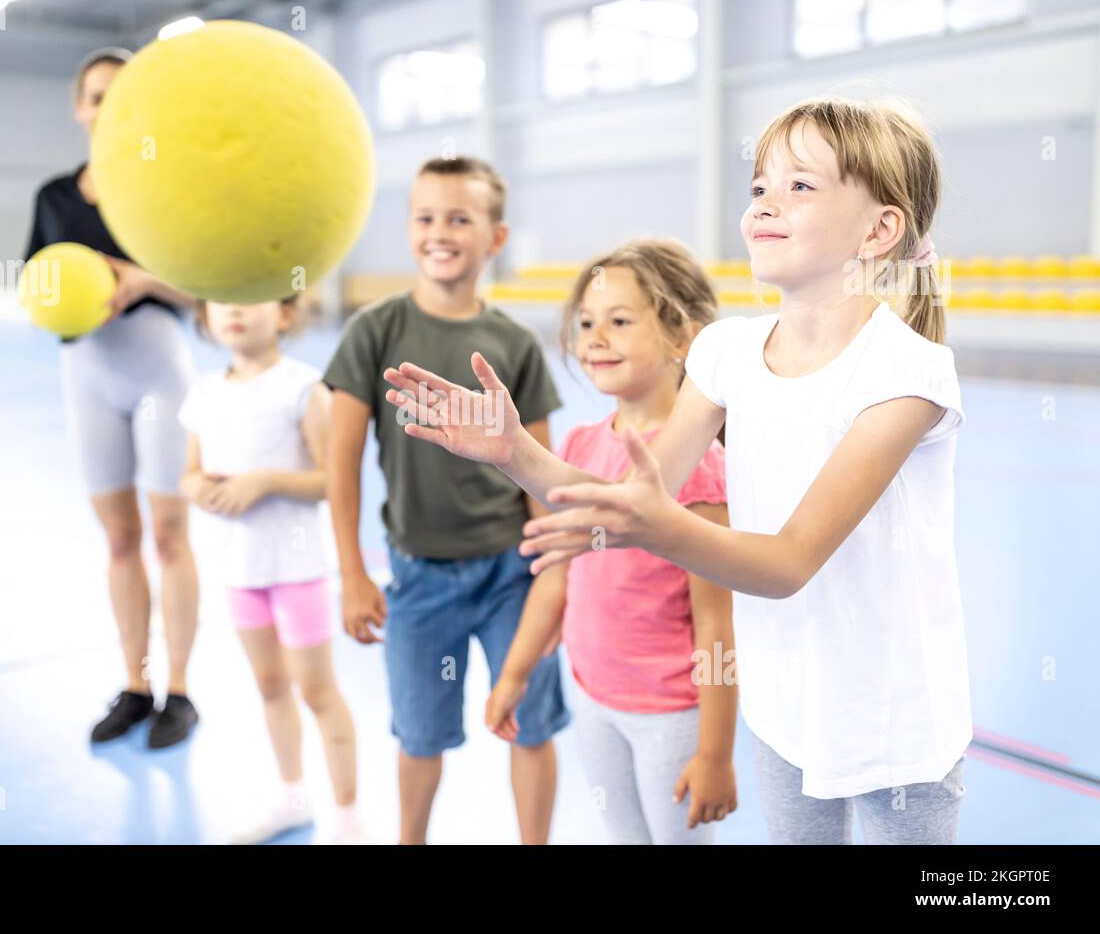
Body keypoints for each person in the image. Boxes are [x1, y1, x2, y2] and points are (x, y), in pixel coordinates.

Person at [384, 97, 971, 844]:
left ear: (879, 228)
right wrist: (516, 454)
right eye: (760, 185)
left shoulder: (906, 372)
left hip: (894, 720)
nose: (765, 202)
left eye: (800, 185)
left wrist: (662, 525)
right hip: (782, 707)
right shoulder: (727, 354)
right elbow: (632, 500)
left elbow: (789, 560)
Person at [323, 156, 569, 844]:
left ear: (495, 236)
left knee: (531, 721)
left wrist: (554, 576)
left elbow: (540, 475)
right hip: (418, 579)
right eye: (426, 217)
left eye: (460, 218)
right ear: (409, 230)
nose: (441, 231)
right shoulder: (373, 331)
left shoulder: (515, 345)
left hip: (510, 575)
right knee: (420, 734)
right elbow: (339, 465)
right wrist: (350, 571)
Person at [484, 240, 738, 844]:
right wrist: (515, 673)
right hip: (593, 697)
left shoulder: (700, 469)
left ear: (682, 338)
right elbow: (556, 576)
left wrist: (716, 751)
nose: (595, 337)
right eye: (588, 323)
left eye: (620, 322)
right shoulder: (575, 447)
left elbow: (716, 623)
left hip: (669, 715)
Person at [25, 48, 200, 748]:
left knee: (168, 534)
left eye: (123, 97)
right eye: (97, 96)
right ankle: (136, 683)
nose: (107, 108)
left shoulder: (165, 191)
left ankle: (179, 692)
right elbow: (34, 289)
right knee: (121, 538)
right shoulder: (54, 198)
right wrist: (72, 297)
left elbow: (202, 290)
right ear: (79, 107)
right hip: (87, 374)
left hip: (160, 369)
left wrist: (138, 278)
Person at [178, 296, 368, 844]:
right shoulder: (204, 392)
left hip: (297, 568)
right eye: (222, 301)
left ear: (284, 314)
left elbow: (334, 479)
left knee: (317, 689)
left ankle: (350, 813)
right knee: (269, 684)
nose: (234, 310)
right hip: (240, 570)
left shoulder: (303, 388)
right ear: (207, 317)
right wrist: (202, 490)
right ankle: (291, 796)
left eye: (252, 297)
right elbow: (188, 473)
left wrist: (265, 481)